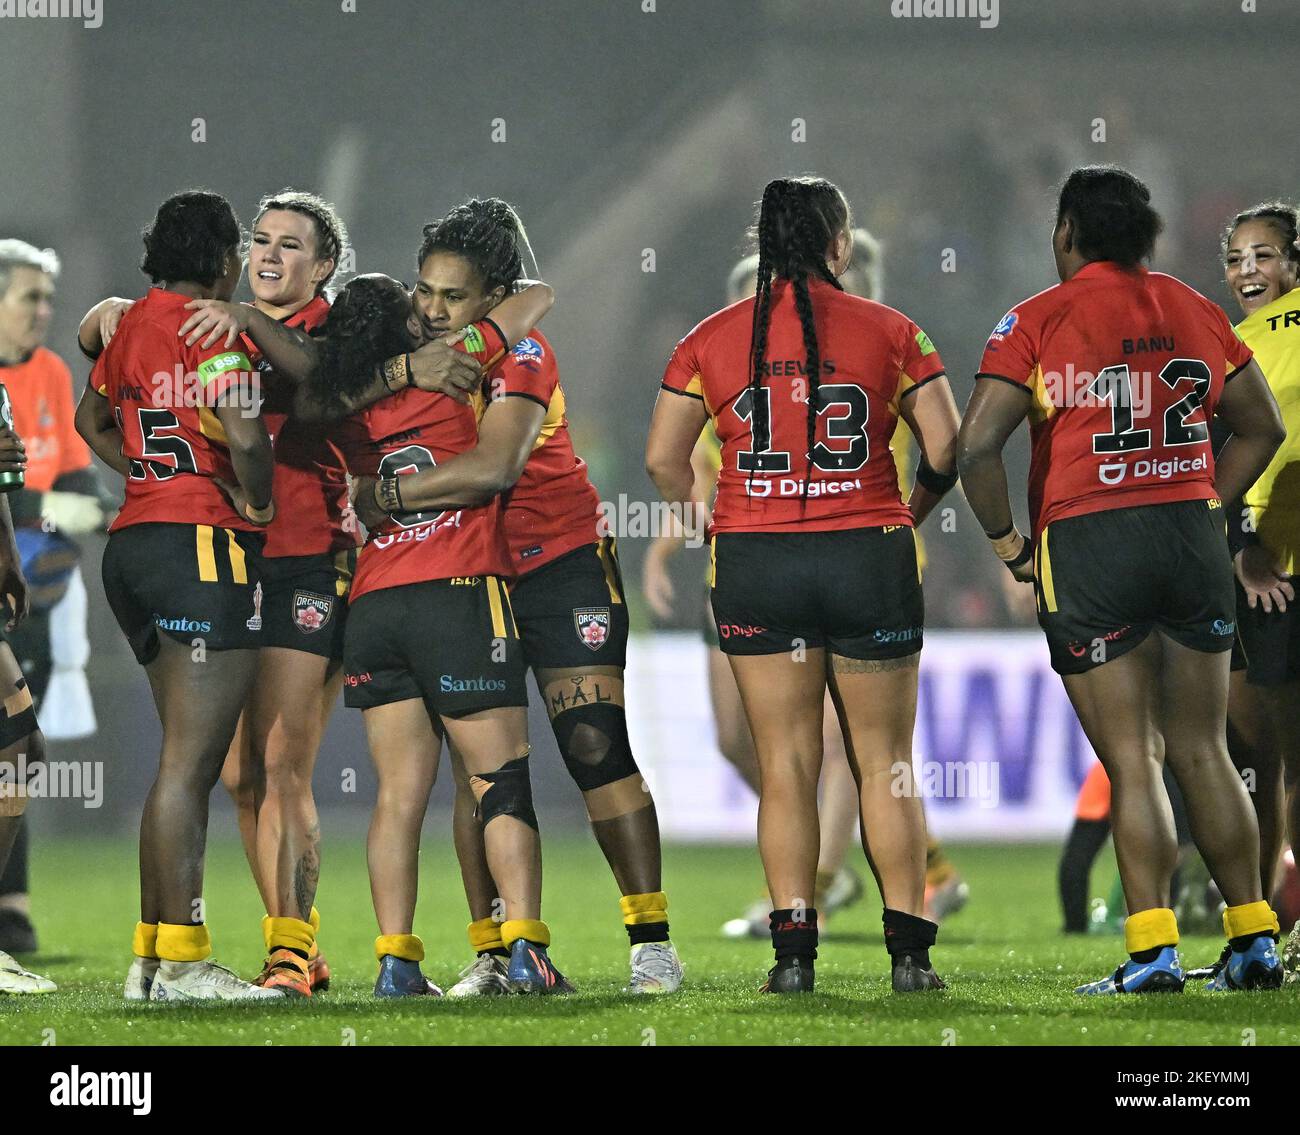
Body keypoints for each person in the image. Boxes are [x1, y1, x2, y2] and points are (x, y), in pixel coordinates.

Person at [957, 164, 1287, 994]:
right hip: (1188, 533)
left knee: (1134, 760)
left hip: (1090, 536)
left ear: (1067, 234)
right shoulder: (1193, 306)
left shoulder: (1035, 318)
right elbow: (1263, 425)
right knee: (1205, 747)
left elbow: (975, 447)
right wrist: (1207, 501)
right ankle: (1253, 941)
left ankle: (1153, 951)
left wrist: (1008, 547)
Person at [195, 271, 566, 995]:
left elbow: (310, 397)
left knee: (397, 795)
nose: (432, 311)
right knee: (499, 783)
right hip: (460, 588)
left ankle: (396, 962)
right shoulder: (459, 374)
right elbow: (532, 301)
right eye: (420, 303)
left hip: (375, 600)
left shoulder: (341, 408)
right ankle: (525, 949)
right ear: (409, 326)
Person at [349, 199, 681, 995]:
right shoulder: (418, 355)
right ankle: (495, 951)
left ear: (492, 296)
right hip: (467, 575)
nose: (430, 308)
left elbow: (496, 466)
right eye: (423, 290)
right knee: (479, 772)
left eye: (451, 296)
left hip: (558, 564)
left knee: (595, 744)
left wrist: (385, 496)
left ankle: (649, 940)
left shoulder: (521, 352)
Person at [647, 175, 961, 994]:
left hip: (758, 558)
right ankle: (910, 956)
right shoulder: (894, 328)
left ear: (762, 246)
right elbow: (948, 444)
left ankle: (793, 956)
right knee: (884, 762)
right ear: (838, 244)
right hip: (867, 548)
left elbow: (660, 458)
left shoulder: (711, 335)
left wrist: (711, 518)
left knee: (785, 764)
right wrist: (909, 511)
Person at [83, 190, 354, 997]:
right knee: (226, 770)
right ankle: (185, 953)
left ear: (327, 265)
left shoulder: (334, 328)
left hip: (302, 561)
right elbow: (114, 368)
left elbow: (329, 385)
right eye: (259, 240)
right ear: (233, 257)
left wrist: (231, 319)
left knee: (280, 762)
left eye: (292, 245)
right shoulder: (199, 322)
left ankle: (288, 950)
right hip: (218, 553)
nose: (270, 255)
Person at [0, 239, 106, 955]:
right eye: (27, 296)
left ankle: (11, 905)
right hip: (15, 565)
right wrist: (45, 507)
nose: (43, 310)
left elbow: (78, 490)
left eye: (47, 297)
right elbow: (37, 494)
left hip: (28, 591)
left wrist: (63, 508)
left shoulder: (49, 373)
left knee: (18, 746)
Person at [1215, 203, 1300, 981]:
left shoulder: (1245, 346)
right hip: (1262, 571)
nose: (1248, 271)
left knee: (1268, 757)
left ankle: (1270, 930)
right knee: (1256, 754)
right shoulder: (1236, 340)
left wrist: (1245, 550)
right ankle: (1266, 929)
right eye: (1238, 258)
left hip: (1275, 573)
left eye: (1264, 256)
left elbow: (1232, 459)